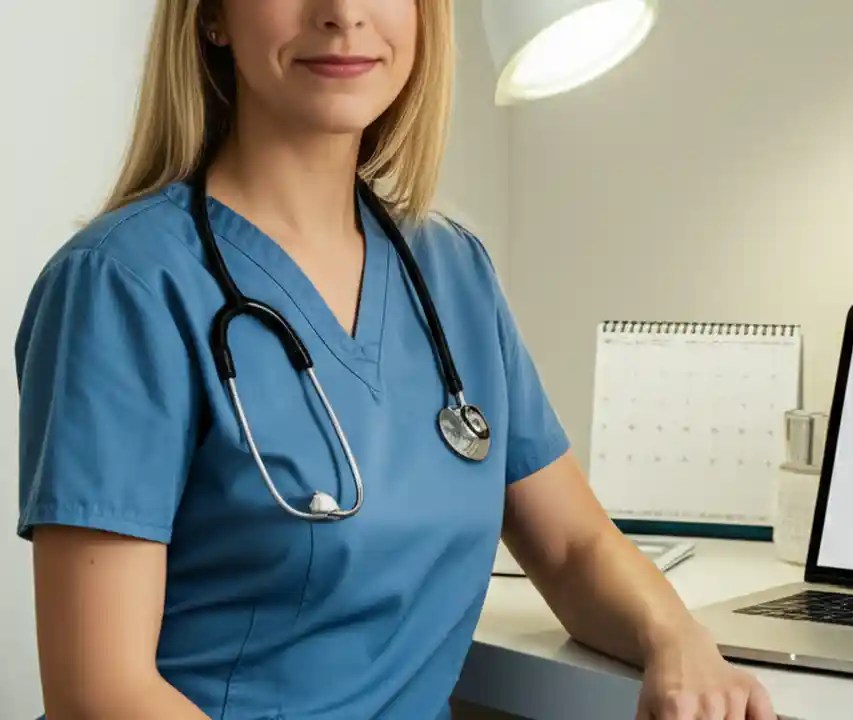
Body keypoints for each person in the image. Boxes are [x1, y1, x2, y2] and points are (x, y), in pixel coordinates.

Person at [14, 1, 776, 718]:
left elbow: (575, 550)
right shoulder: (124, 285)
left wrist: (676, 640)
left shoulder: (452, 273)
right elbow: (100, 694)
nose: (344, 12)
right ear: (212, 14)